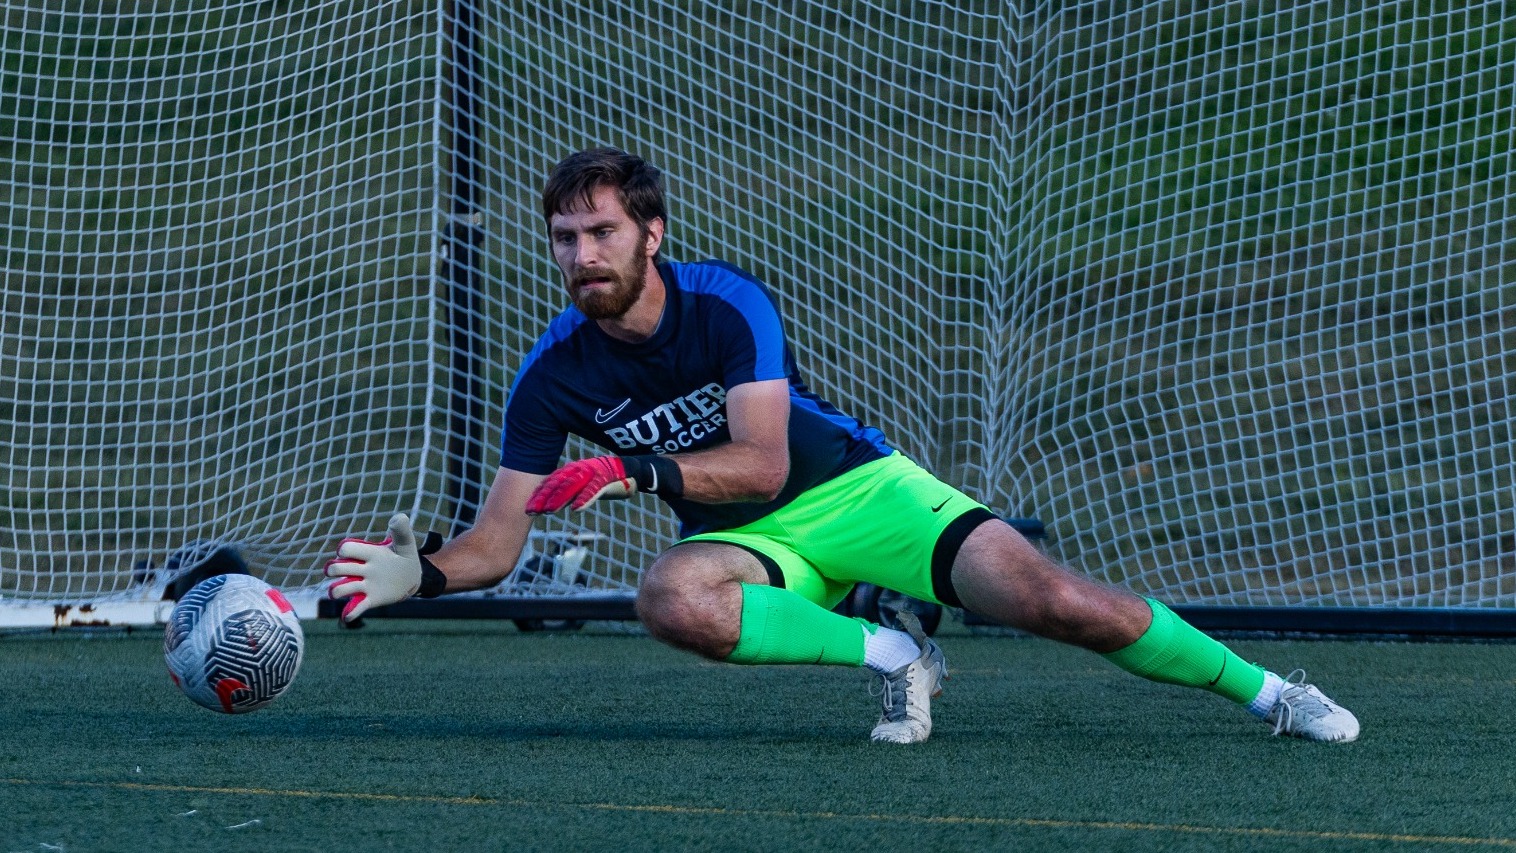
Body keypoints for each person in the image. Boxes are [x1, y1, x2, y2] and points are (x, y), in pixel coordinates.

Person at [326, 147, 1360, 745]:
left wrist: (632, 470)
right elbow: (498, 541)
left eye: (602, 232)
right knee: (671, 597)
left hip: (861, 493)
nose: (581, 254)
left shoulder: (725, 304)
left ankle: (1273, 694)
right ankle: (897, 651)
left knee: (1057, 602)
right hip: (753, 543)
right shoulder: (553, 372)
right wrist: (425, 573)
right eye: (564, 237)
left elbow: (765, 462)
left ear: (651, 235)